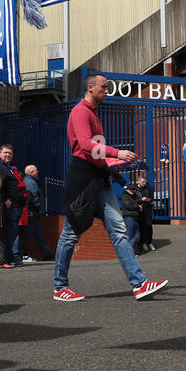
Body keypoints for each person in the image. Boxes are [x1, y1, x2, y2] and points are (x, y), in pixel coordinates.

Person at [52, 73, 167, 303]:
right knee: (70, 233)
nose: (107, 91)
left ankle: (140, 284)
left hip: (99, 180)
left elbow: (95, 151)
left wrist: (111, 164)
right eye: (103, 87)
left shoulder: (93, 113)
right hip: (83, 181)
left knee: (119, 231)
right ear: (90, 87)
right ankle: (60, 287)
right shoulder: (80, 112)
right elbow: (85, 145)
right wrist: (117, 153)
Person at [0, 143, 25, 268]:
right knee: (8, 233)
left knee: (10, 233)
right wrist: (6, 199)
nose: (8, 155)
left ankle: (7, 258)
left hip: (14, 205)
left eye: (10, 153)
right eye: (5, 152)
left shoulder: (7, 167)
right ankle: (5, 258)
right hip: (8, 206)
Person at [16, 164, 54, 261]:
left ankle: (47, 253)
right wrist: (39, 208)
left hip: (31, 212)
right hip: (32, 212)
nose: (38, 172)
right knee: (25, 233)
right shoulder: (30, 183)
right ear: (32, 172)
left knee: (38, 234)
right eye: (36, 170)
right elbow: (33, 196)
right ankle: (15, 251)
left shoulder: (28, 181)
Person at [120, 171, 156, 254]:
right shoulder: (135, 190)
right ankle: (141, 244)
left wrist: (148, 200)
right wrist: (141, 200)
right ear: (139, 182)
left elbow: (151, 198)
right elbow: (133, 200)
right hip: (139, 211)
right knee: (141, 228)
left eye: (145, 181)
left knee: (149, 226)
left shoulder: (148, 188)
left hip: (147, 210)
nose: (145, 183)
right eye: (143, 182)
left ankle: (149, 242)